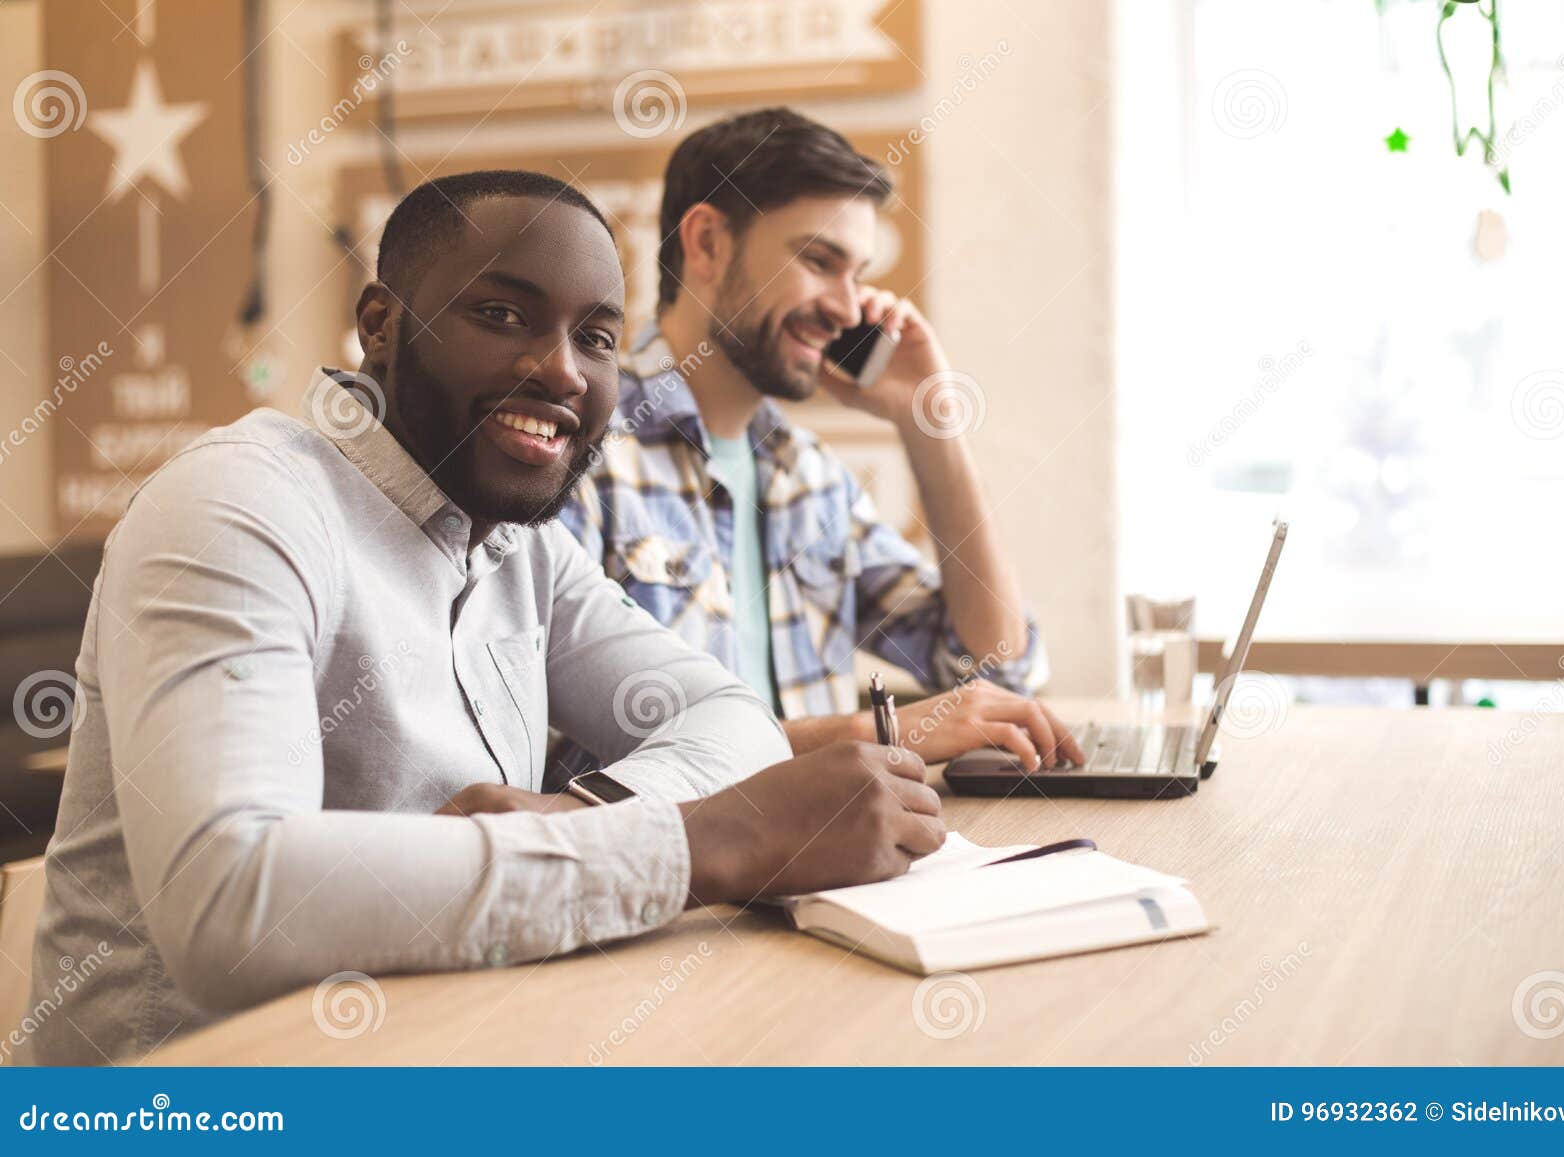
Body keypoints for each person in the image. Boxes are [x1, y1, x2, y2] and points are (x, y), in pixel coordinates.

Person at [19, 171, 943, 1066]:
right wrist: (707, 841)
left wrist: (581, 813)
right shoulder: (239, 503)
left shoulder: (514, 540)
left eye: (596, 337)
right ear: (380, 324)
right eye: (501, 315)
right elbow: (231, 902)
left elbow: (727, 717)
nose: (561, 371)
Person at [556, 108, 1083, 783]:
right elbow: (571, 761)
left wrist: (929, 423)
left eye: (857, 273)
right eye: (819, 261)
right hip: (681, 880)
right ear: (709, 244)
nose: (847, 306)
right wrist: (875, 733)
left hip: (834, 868)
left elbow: (999, 667)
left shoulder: (807, 477)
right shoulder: (583, 454)